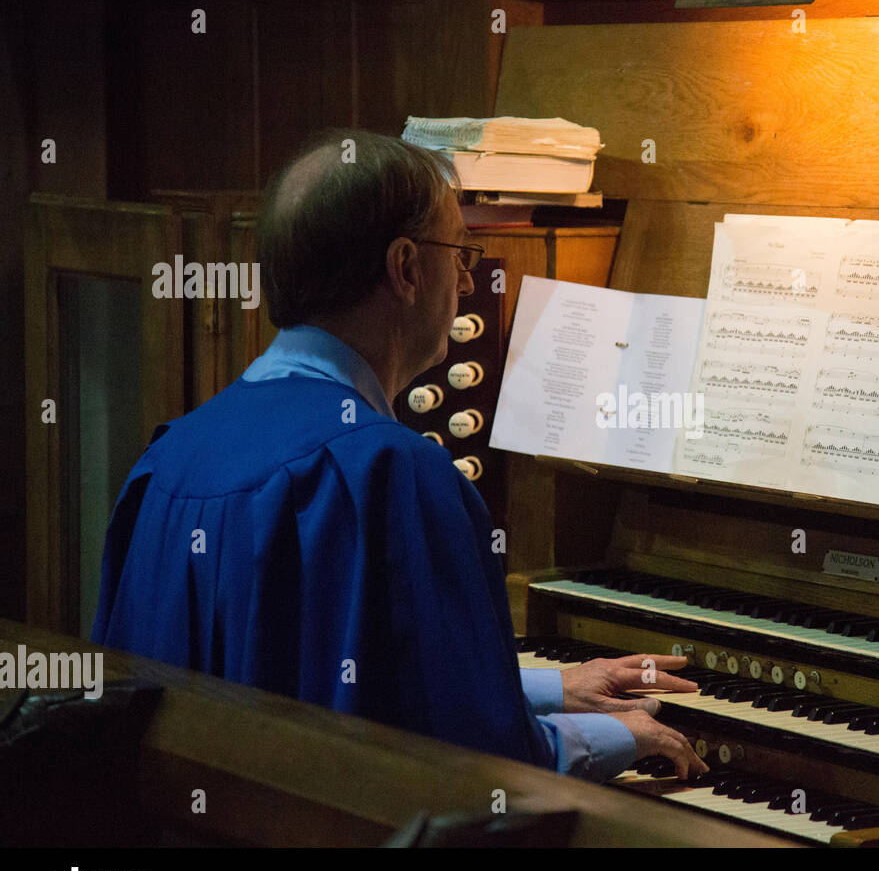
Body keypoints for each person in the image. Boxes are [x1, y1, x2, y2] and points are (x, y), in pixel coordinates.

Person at [91, 128, 706, 783]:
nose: (467, 277)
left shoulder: (169, 458)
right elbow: (474, 762)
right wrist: (619, 735)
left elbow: (322, 683)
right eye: (461, 250)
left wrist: (550, 687)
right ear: (407, 268)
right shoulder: (389, 474)